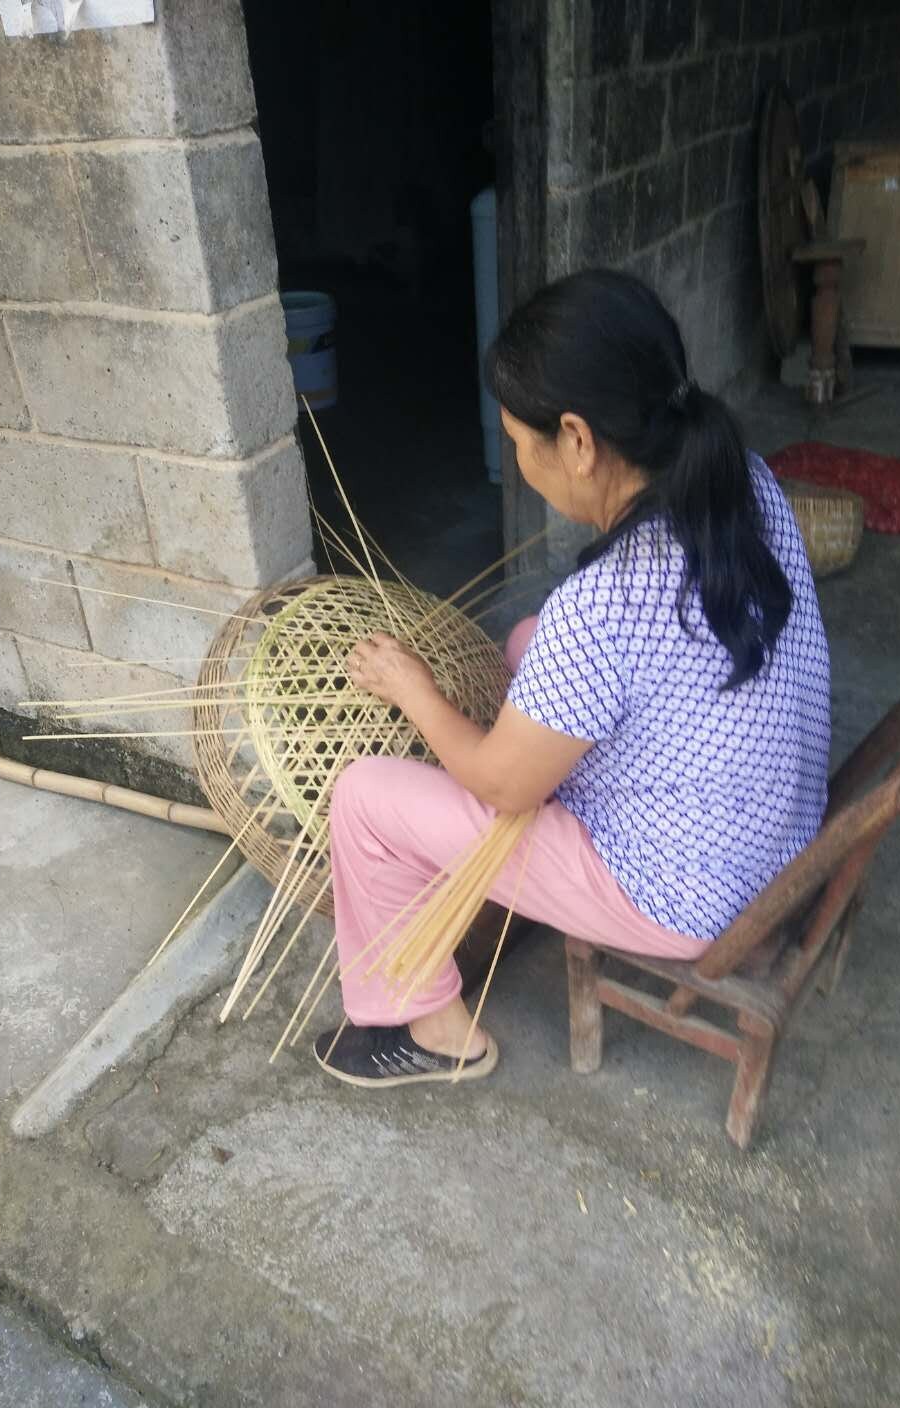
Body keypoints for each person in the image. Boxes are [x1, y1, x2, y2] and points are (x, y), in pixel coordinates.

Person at [313, 268, 830, 1088]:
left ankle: (432, 1030)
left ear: (579, 442)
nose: (521, 462)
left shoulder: (603, 606)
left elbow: (500, 785)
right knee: (524, 639)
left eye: (522, 443)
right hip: (778, 834)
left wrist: (414, 688)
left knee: (366, 800)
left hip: (691, 897)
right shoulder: (744, 481)